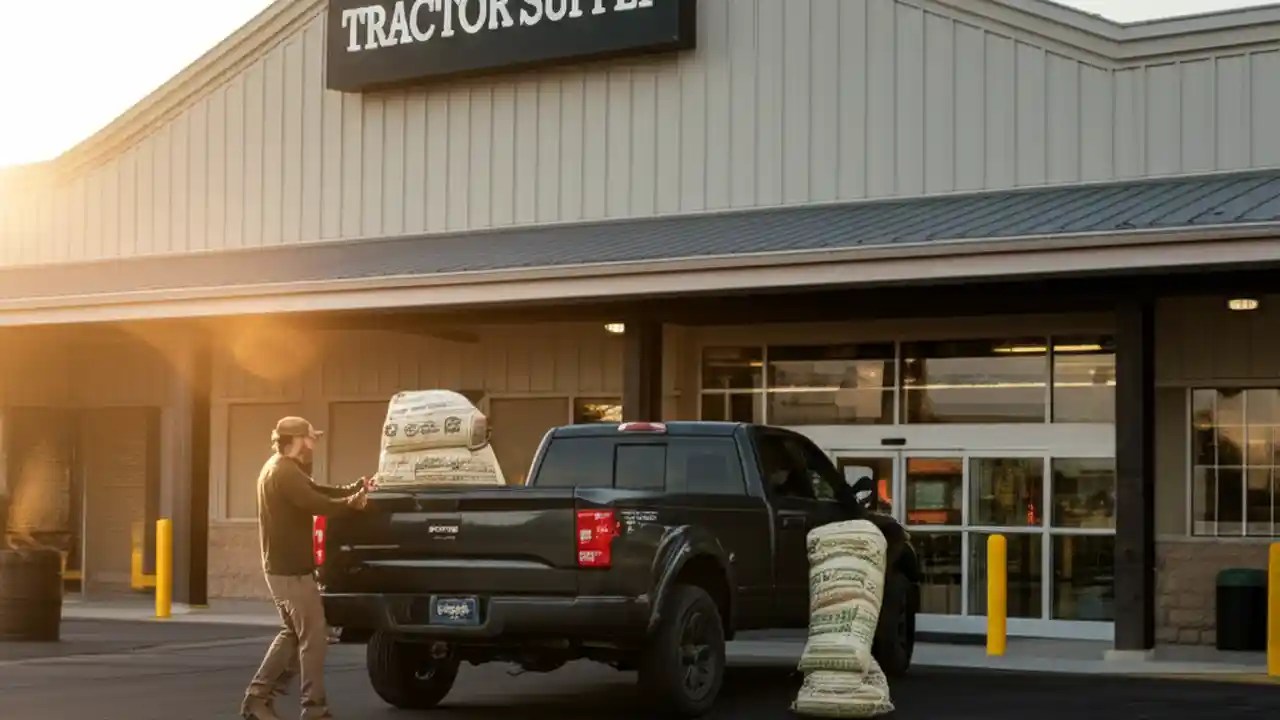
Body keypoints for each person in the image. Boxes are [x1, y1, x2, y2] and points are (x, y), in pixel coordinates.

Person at [241, 416, 374, 720]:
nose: (314, 444)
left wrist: (352, 489)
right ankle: (314, 710)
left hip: (284, 570)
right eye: (311, 438)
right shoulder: (284, 472)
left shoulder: (281, 468)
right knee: (314, 637)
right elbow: (318, 503)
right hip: (291, 574)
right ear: (297, 440)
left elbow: (317, 491)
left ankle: (257, 698)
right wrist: (351, 504)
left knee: (293, 633)